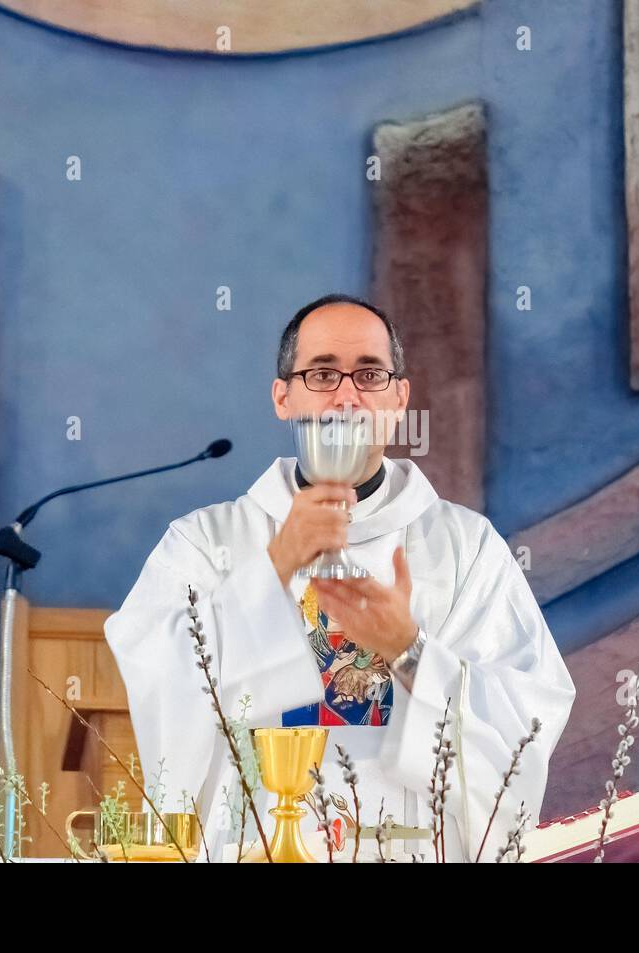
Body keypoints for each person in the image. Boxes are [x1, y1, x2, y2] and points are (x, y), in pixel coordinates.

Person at [104, 293, 575, 861]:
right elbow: (160, 675)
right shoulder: (207, 542)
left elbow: (525, 715)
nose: (347, 394)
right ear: (283, 396)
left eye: (370, 374)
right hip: (249, 847)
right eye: (323, 372)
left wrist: (408, 649)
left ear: (399, 398)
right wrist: (276, 564)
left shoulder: (463, 548)